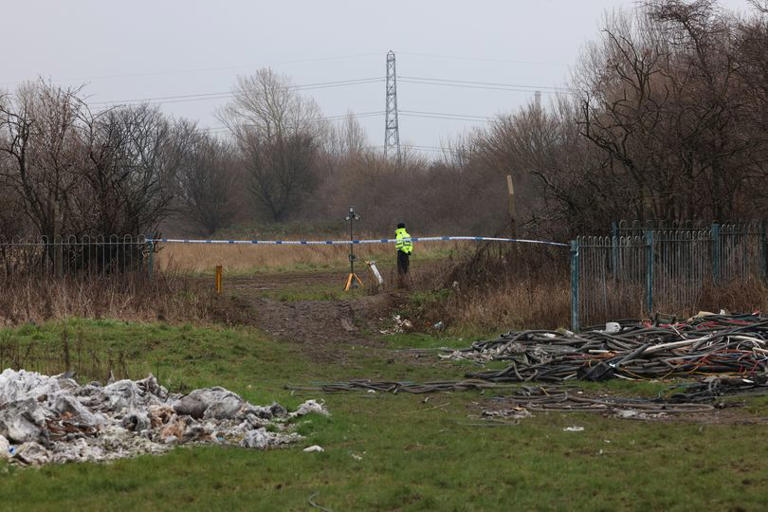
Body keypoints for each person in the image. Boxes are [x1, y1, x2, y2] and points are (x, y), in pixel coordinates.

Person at [395, 222, 413, 286]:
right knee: (406, 268)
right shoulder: (408, 235)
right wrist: (409, 251)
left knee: (400, 269)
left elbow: (400, 245)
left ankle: (402, 283)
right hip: (407, 254)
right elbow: (411, 244)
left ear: (398, 228)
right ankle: (407, 282)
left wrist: (405, 251)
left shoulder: (398, 235)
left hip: (401, 253)